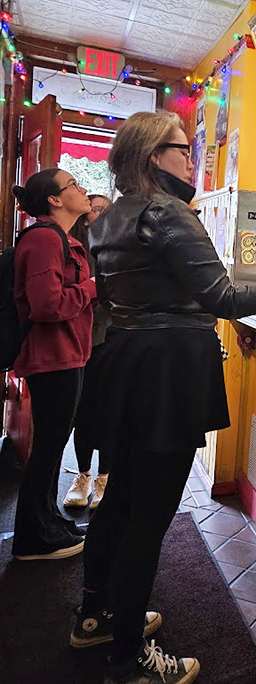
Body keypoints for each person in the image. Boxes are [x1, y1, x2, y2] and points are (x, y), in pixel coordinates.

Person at [73, 110, 256, 684]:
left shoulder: (109, 218)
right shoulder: (168, 212)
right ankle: (127, 664)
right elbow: (222, 297)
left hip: (126, 363)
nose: (192, 159)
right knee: (149, 516)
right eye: (183, 149)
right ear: (153, 155)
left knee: (121, 497)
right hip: (169, 371)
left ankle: (96, 614)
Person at [11, 169, 96, 560]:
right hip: (52, 357)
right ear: (55, 200)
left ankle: (47, 522)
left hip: (66, 354)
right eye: (74, 184)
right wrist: (92, 288)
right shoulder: (45, 239)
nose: (83, 189)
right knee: (47, 448)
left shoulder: (62, 239)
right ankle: (32, 539)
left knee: (52, 444)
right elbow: (47, 305)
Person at [63, 195, 113, 510]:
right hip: (81, 343)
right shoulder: (76, 250)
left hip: (113, 341)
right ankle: (82, 476)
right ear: (85, 218)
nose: (102, 214)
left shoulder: (120, 249)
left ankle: (104, 478)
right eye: (96, 209)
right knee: (82, 412)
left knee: (110, 412)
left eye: (108, 210)